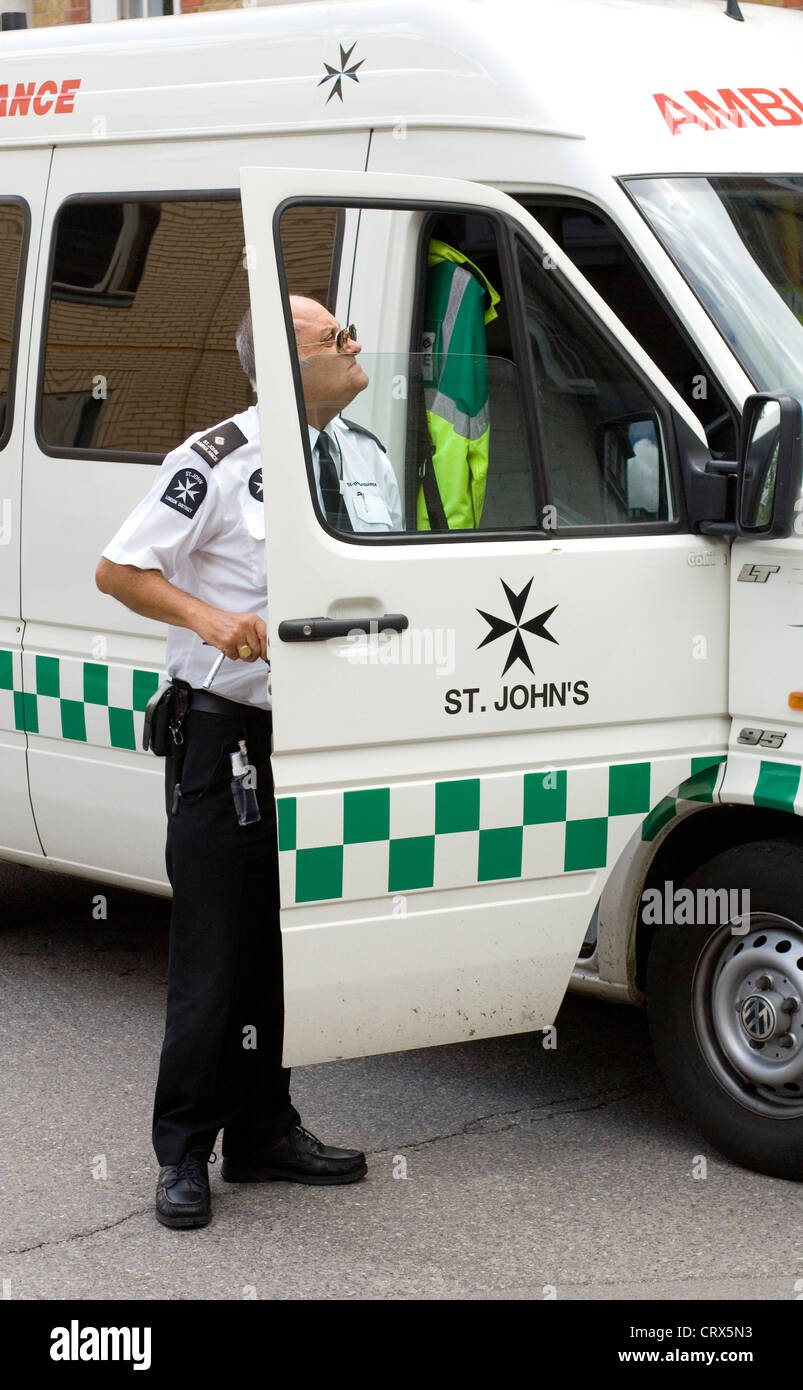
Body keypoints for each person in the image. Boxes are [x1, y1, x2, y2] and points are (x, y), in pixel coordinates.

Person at [95, 296, 401, 1229]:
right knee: (214, 955)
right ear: (280, 360)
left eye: (350, 332)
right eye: (332, 338)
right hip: (223, 735)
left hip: (319, 735)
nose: (354, 346)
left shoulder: (365, 455)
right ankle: (183, 1153)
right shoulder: (213, 462)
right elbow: (118, 570)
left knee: (281, 949)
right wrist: (209, 620)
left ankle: (264, 1130)